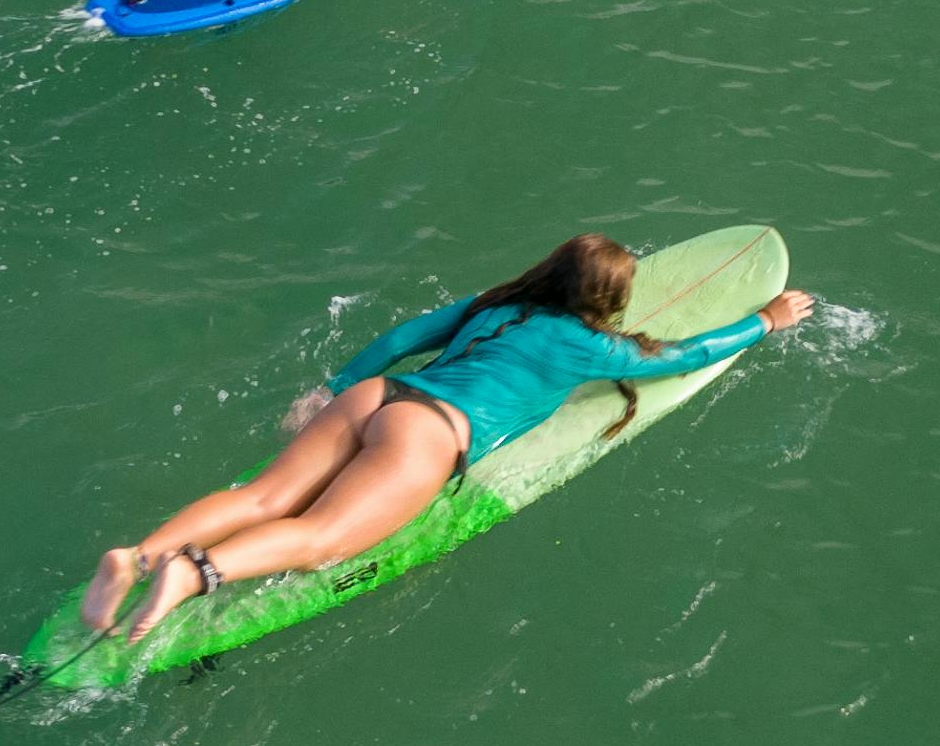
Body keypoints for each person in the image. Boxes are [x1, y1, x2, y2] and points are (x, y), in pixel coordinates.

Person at [78, 235, 820, 638]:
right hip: (428, 438)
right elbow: (683, 355)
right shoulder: (593, 348)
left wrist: (334, 388)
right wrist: (766, 322)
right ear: (605, 303)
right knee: (319, 539)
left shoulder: (496, 303)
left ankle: (138, 556)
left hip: (382, 395)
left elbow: (403, 335)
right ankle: (191, 575)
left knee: (265, 494)